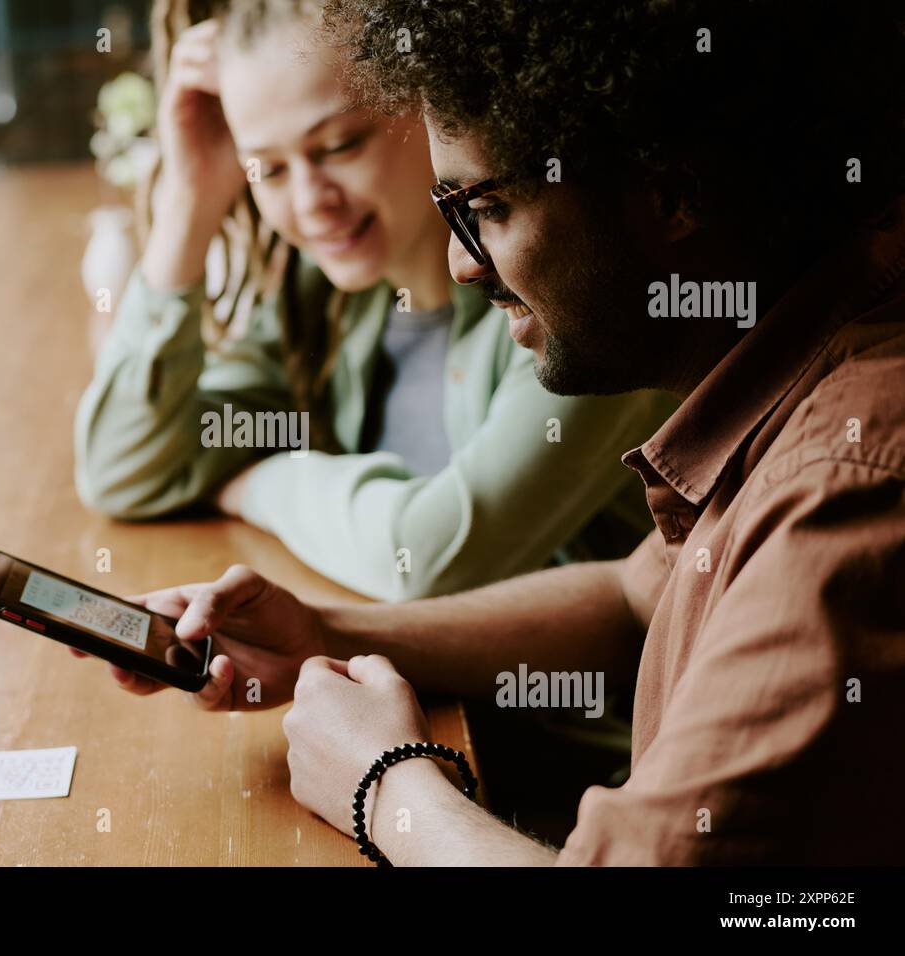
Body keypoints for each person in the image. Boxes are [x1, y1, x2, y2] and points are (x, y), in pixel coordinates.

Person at [80, 0, 905, 864]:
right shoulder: (800, 362)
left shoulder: (847, 486)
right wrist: (325, 634)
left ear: (673, 193)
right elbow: (632, 602)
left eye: (491, 205)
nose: (462, 262)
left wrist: (387, 784)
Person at [74, 0, 676, 601]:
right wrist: (188, 202)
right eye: (270, 170)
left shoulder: (565, 301)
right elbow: (123, 471)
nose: (312, 201)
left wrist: (254, 485)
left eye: (340, 145)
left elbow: (430, 559)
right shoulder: (323, 299)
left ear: (432, 101)